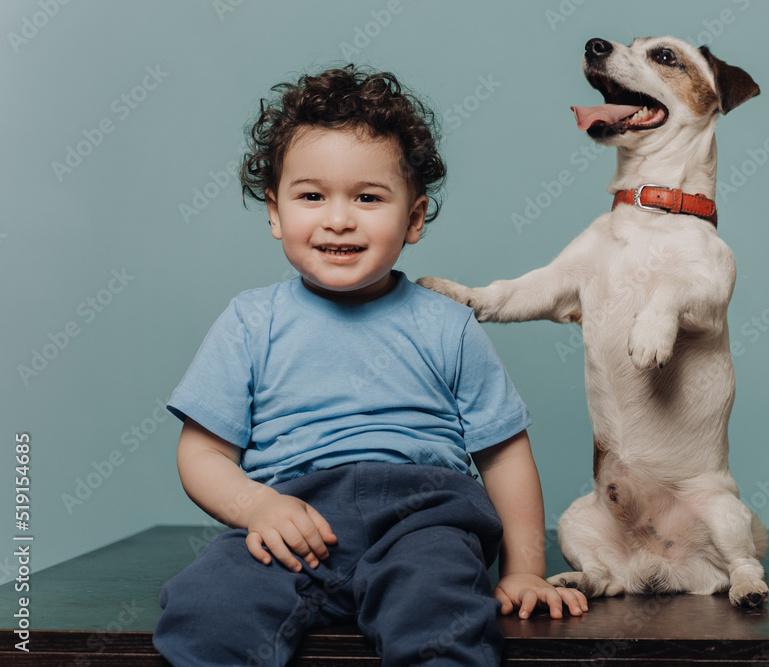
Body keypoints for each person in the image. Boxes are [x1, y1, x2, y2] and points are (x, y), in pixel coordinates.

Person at [152, 65, 587, 666]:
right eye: (311, 196)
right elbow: (201, 454)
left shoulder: (447, 324)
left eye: (367, 197)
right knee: (208, 604)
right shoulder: (251, 322)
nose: (339, 218)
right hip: (292, 519)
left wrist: (525, 571)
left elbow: (504, 455)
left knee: (440, 609)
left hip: (423, 520)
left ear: (413, 220)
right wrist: (257, 508)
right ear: (275, 212)